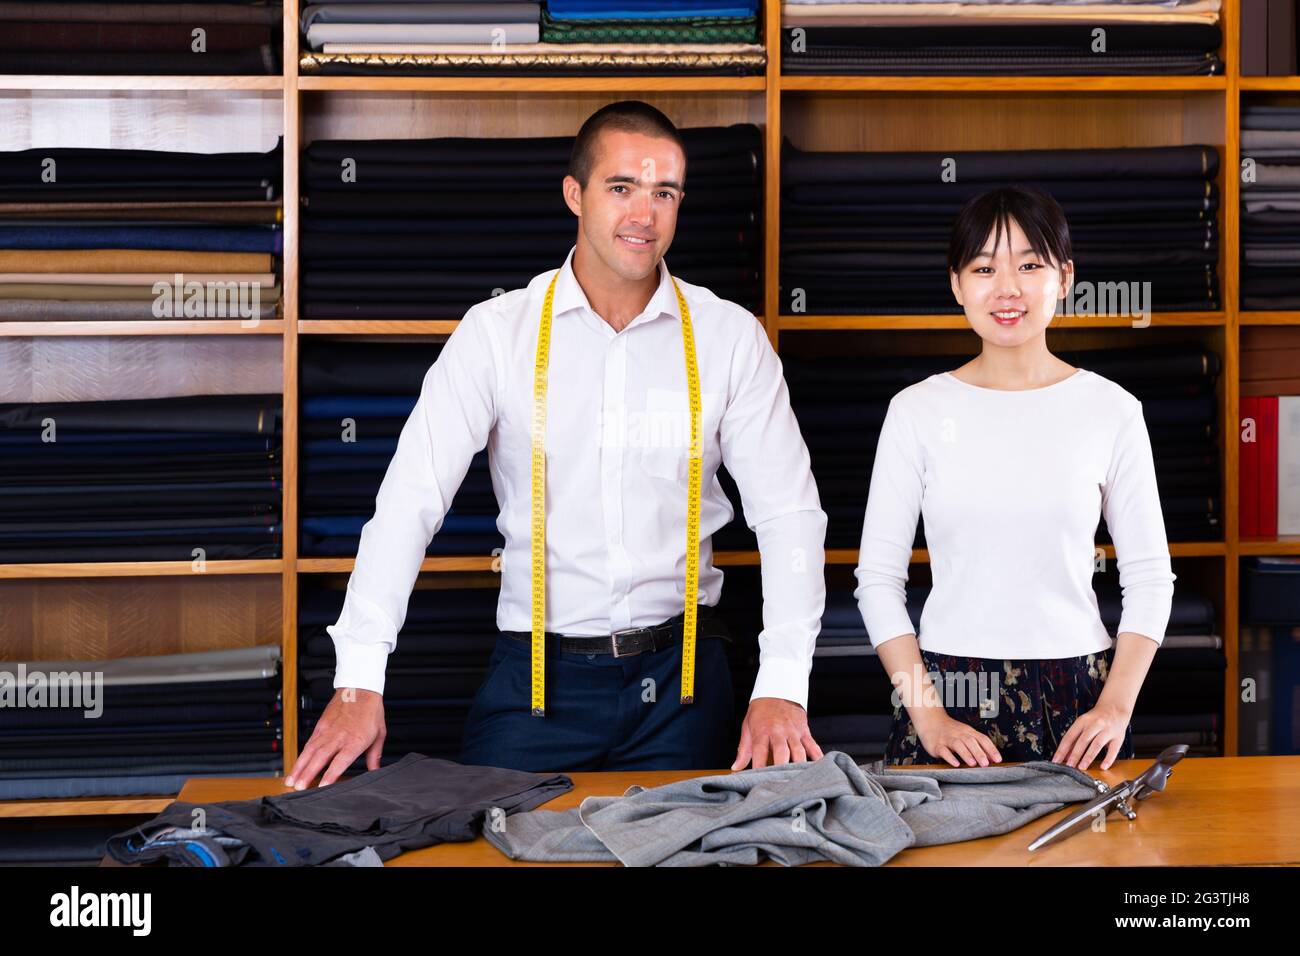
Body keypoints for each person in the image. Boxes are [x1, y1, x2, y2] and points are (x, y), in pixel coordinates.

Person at [286, 100, 827, 789]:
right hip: (536, 683)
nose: (645, 214)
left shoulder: (728, 338)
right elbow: (409, 504)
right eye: (622, 187)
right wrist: (359, 678)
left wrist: (783, 684)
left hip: (684, 683)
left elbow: (788, 515)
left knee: (700, 843)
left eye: (665, 193)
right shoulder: (496, 334)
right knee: (491, 837)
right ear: (575, 194)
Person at [855, 186, 1175, 772]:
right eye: (984, 268)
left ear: (1065, 277)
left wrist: (1114, 708)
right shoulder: (916, 411)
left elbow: (1151, 579)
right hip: (946, 697)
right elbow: (877, 581)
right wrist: (928, 714)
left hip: (1079, 697)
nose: (1007, 288)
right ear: (957, 285)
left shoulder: (1112, 410)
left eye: (1029, 265)